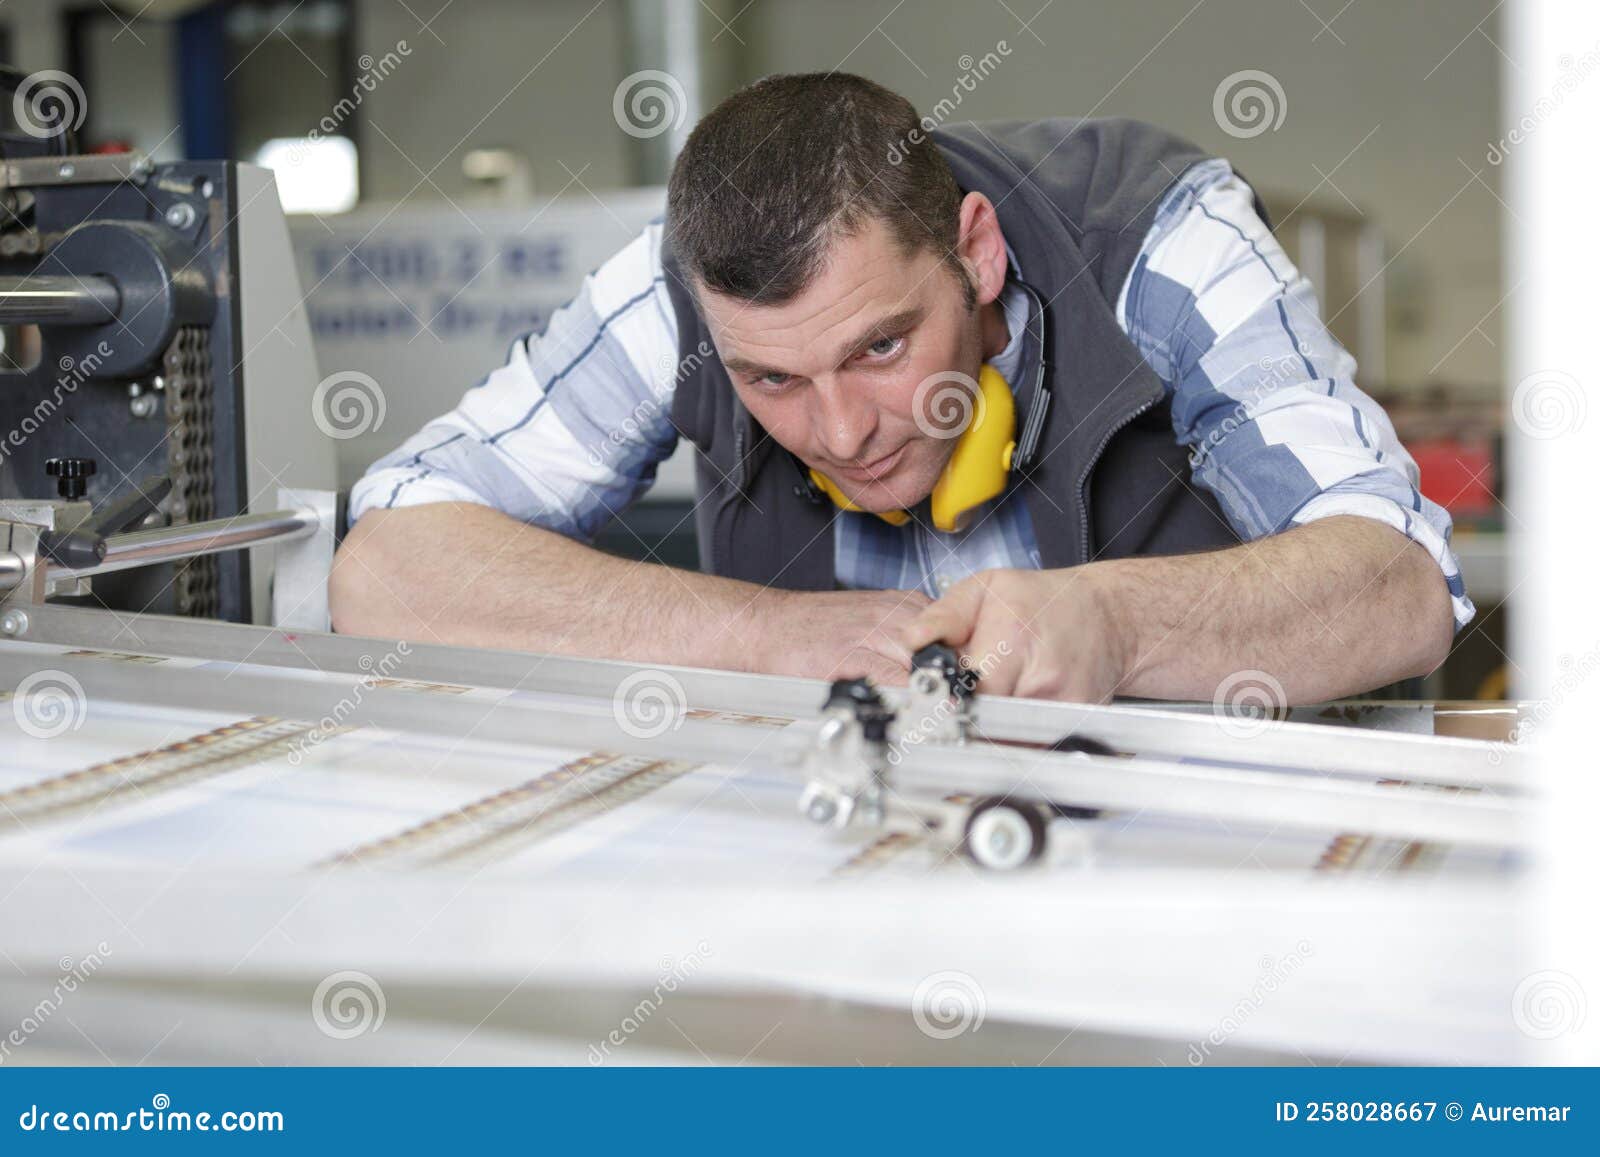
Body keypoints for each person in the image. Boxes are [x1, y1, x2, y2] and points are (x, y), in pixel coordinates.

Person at [331, 73, 1469, 703]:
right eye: (772, 378)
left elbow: (1400, 582)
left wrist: (1118, 623)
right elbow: (386, 565)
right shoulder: (679, 291)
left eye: (879, 347)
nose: (840, 433)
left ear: (974, 252)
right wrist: (761, 634)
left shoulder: (1158, 236)